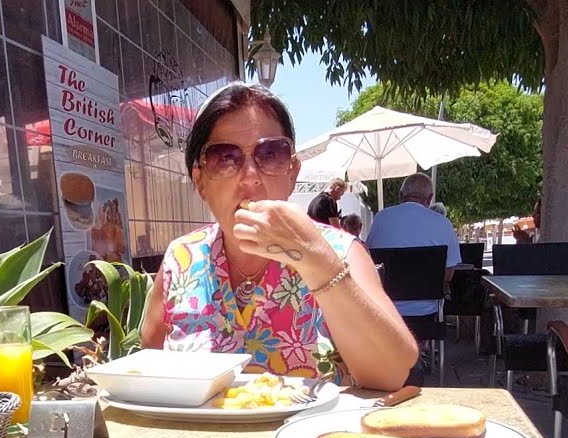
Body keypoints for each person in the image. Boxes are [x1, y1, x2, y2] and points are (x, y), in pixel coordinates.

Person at [140, 82, 418, 391]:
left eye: (271, 154)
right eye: (224, 157)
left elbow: (393, 372)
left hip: (312, 437)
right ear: (200, 181)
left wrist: (313, 257)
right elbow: (150, 364)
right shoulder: (181, 259)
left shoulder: (341, 252)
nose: (250, 176)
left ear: (292, 172)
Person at [365, 172, 462, 320]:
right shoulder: (443, 223)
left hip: (385, 310)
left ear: (400, 195)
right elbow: (448, 275)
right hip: (426, 314)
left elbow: (369, 261)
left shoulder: (381, 219)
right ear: (429, 199)